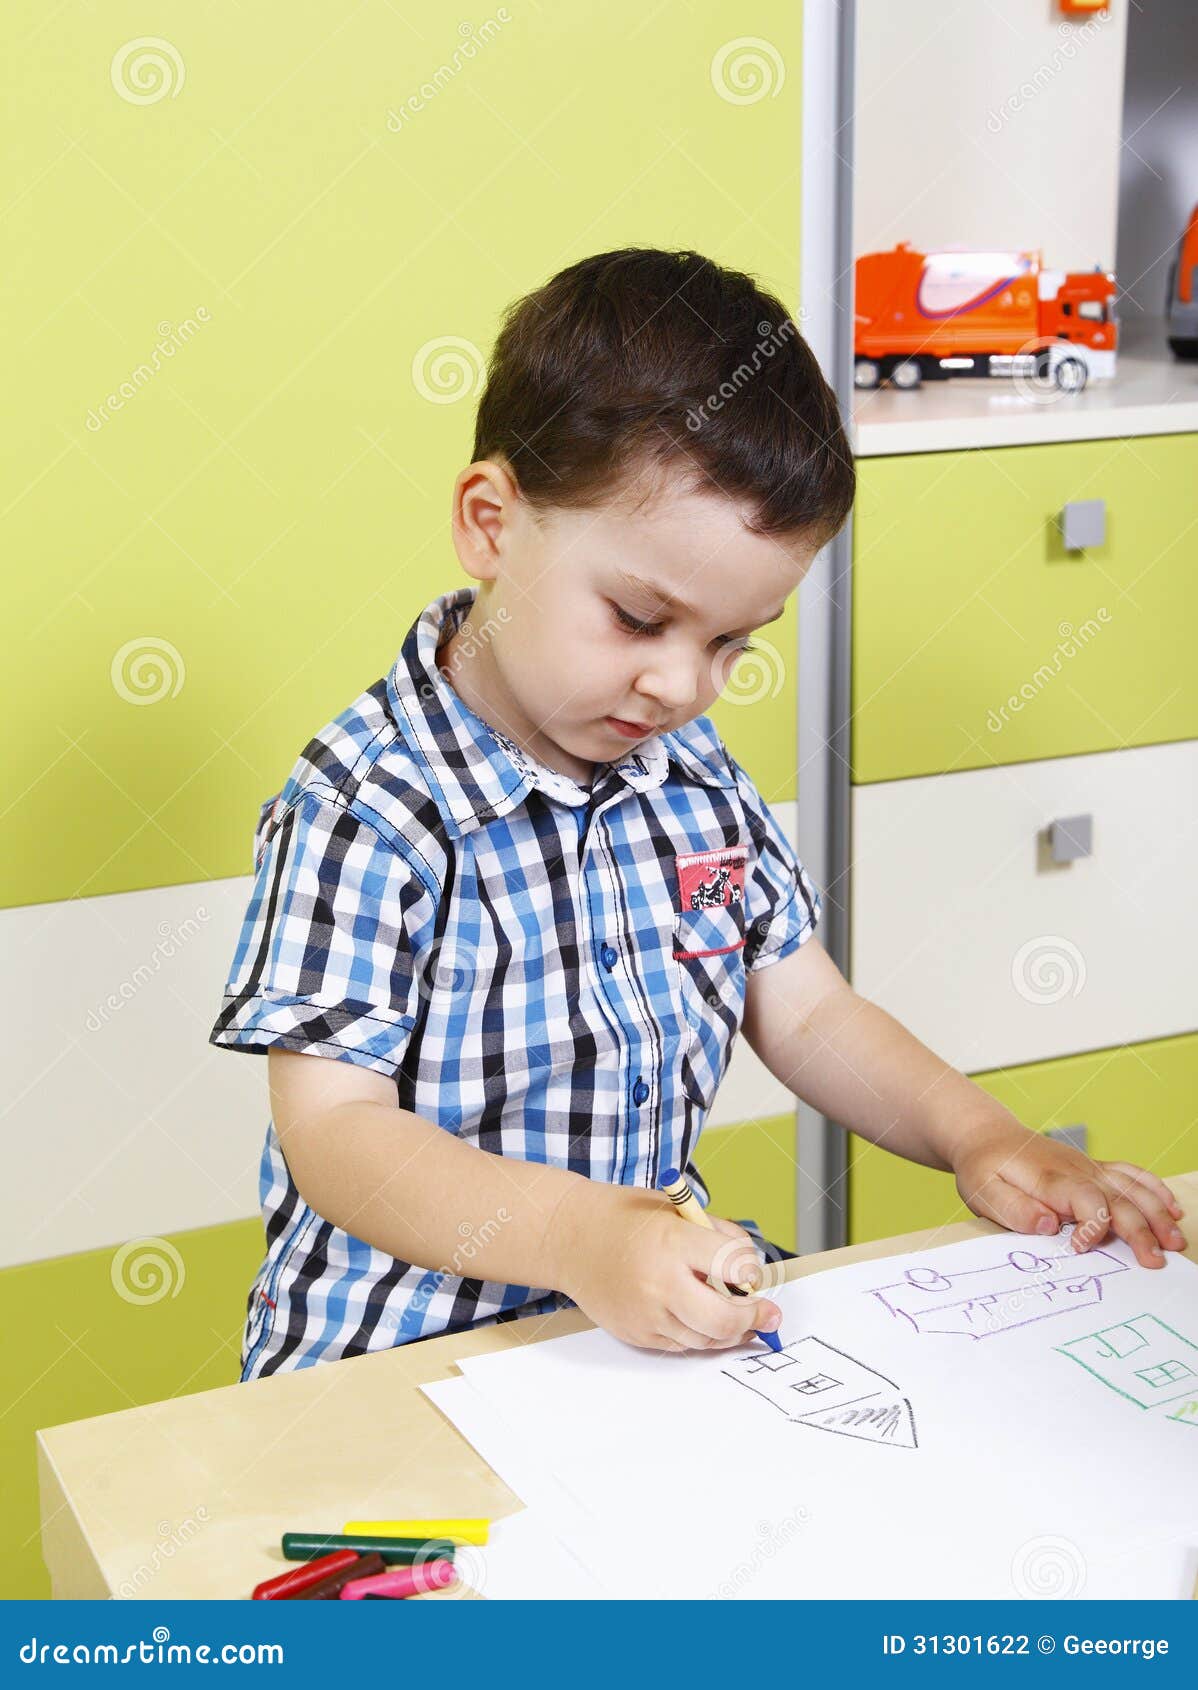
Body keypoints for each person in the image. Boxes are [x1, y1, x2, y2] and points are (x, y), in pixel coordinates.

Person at [209, 248, 1185, 1380]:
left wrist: (983, 1136)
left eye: (729, 642)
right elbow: (336, 1135)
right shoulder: (366, 805)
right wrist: (579, 1239)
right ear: (489, 524)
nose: (682, 685)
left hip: (646, 1336)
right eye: (637, 617)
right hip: (392, 1362)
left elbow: (808, 1012)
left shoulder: (691, 773)